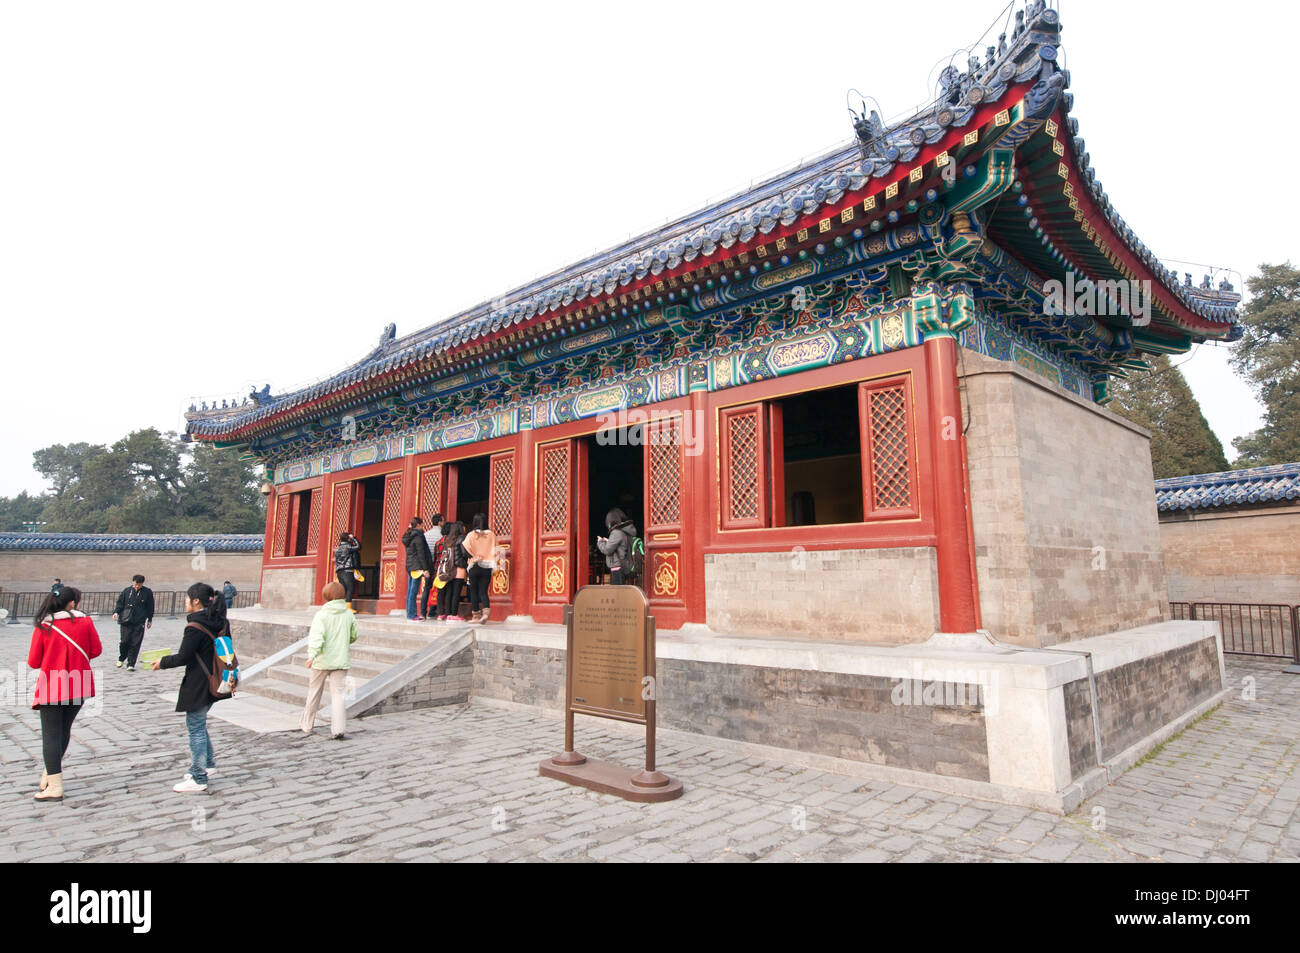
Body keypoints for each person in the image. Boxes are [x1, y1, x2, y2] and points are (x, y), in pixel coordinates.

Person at [151, 582, 228, 793]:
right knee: (199, 724)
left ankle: (198, 776)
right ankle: (208, 764)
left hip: (199, 682)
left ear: (196, 601)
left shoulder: (195, 627)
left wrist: (162, 662)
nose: (185, 602)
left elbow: (184, 656)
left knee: (195, 728)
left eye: (187, 598)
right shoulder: (221, 621)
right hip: (217, 680)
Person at [28, 586, 101, 802]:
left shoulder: (45, 626)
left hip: (53, 685)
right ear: (71, 604)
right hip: (79, 684)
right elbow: (96, 650)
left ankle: (55, 786)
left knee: (50, 735)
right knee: (63, 731)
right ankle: (50, 774)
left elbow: (33, 661)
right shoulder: (85, 622)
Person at [300, 580, 358, 740]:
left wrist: (312, 655)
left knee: (314, 693)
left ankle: (307, 725)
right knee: (338, 695)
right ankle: (338, 729)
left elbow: (317, 637)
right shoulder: (348, 614)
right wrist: (343, 643)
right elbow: (354, 635)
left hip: (321, 660)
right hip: (341, 659)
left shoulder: (322, 615)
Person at [112, 574, 154, 671]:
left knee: (135, 643)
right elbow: (120, 603)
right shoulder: (127, 591)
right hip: (126, 621)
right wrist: (116, 612)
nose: (136, 587)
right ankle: (122, 657)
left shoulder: (147, 592)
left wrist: (150, 619)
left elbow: (150, 606)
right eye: (135, 584)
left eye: (138, 585)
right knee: (124, 641)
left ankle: (131, 663)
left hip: (139, 621)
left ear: (142, 584)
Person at [462, 513, 498, 625]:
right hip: (487, 566)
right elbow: (497, 550)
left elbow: (463, 549)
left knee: (473, 591)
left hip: (474, 565)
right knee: (483, 591)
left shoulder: (471, 535)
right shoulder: (492, 535)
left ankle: (476, 616)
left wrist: (472, 557)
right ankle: (486, 613)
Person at [401, 516, 434, 621]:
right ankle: (412, 614)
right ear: (419, 525)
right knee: (413, 591)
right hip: (417, 566)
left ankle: (410, 613)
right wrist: (425, 569)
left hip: (410, 565)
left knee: (410, 590)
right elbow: (421, 554)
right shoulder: (418, 536)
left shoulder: (408, 535)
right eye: (422, 524)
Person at [597, 507, 638, 585]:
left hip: (618, 568)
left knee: (617, 593)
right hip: (625, 566)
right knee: (621, 592)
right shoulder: (625, 531)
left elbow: (607, 550)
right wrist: (609, 541)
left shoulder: (616, 532)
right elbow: (621, 546)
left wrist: (600, 542)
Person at [424, 519, 448, 620]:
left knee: (429, 589)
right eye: (443, 520)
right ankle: (440, 611)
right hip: (441, 567)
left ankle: (427, 612)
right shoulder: (442, 538)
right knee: (442, 590)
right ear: (439, 522)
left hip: (430, 566)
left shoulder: (426, 534)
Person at [334, 532, 361, 610]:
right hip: (347, 570)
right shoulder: (348, 547)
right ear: (348, 538)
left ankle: (340, 606)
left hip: (339, 571)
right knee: (350, 588)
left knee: (343, 589)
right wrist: (354, 538)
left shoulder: (338, 548)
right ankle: (348, 608)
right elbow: (359, 547)